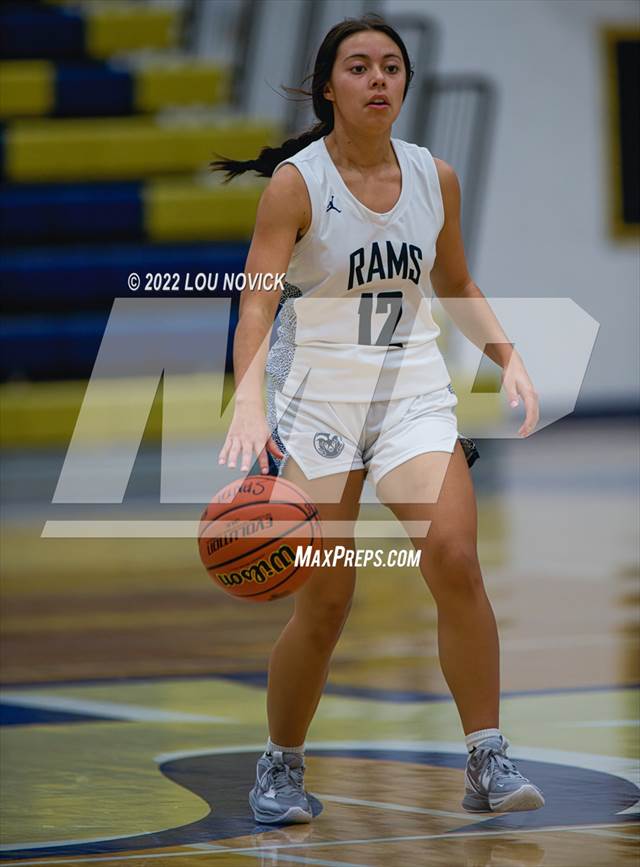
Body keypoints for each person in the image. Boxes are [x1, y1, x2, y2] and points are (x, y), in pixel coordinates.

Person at [212, 14, 544, 825]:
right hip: (318, 399)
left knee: (456, 558)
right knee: (327, 601)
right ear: (329, 87)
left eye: (391, 67)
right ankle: (280, 764)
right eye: (359, 67)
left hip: (411, 394)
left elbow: (455, 280)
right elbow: (255, 301)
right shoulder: (296, 184)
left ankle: (487, 756)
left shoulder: (436, 177)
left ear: (405, 84)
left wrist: (509, 355)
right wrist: (248, 397)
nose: (378, 80)